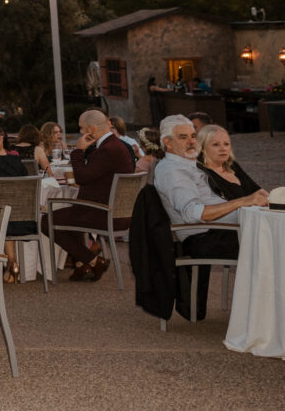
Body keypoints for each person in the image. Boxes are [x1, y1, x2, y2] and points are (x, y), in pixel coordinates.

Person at [152, 116, 267, 315]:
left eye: (193, 136)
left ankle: (263, 314)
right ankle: (261, 316)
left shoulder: (190, 165)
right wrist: (243, 202)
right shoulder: (173, 171)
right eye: (183, 137)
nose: (191, 141)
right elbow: (194, 213)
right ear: (168, 143)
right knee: (272, 245)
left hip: (223, 230)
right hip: (205, 238)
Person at [43, 110, 135, 282]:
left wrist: (78, 151)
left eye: (81, 128)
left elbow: (82, 178)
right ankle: (83, 264)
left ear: (90, 129)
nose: (80, 132)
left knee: (46, 221)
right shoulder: (115, 145)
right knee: (73, 213)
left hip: (104, 213)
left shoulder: (107, 149)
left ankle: (93, 261)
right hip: (117, 211)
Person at [196, 126, 265, 202]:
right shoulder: (202, 173)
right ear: (202, 148)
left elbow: (257, 190)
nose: (223, 149)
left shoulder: (232, 165)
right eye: (216, 144)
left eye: (226, 144)